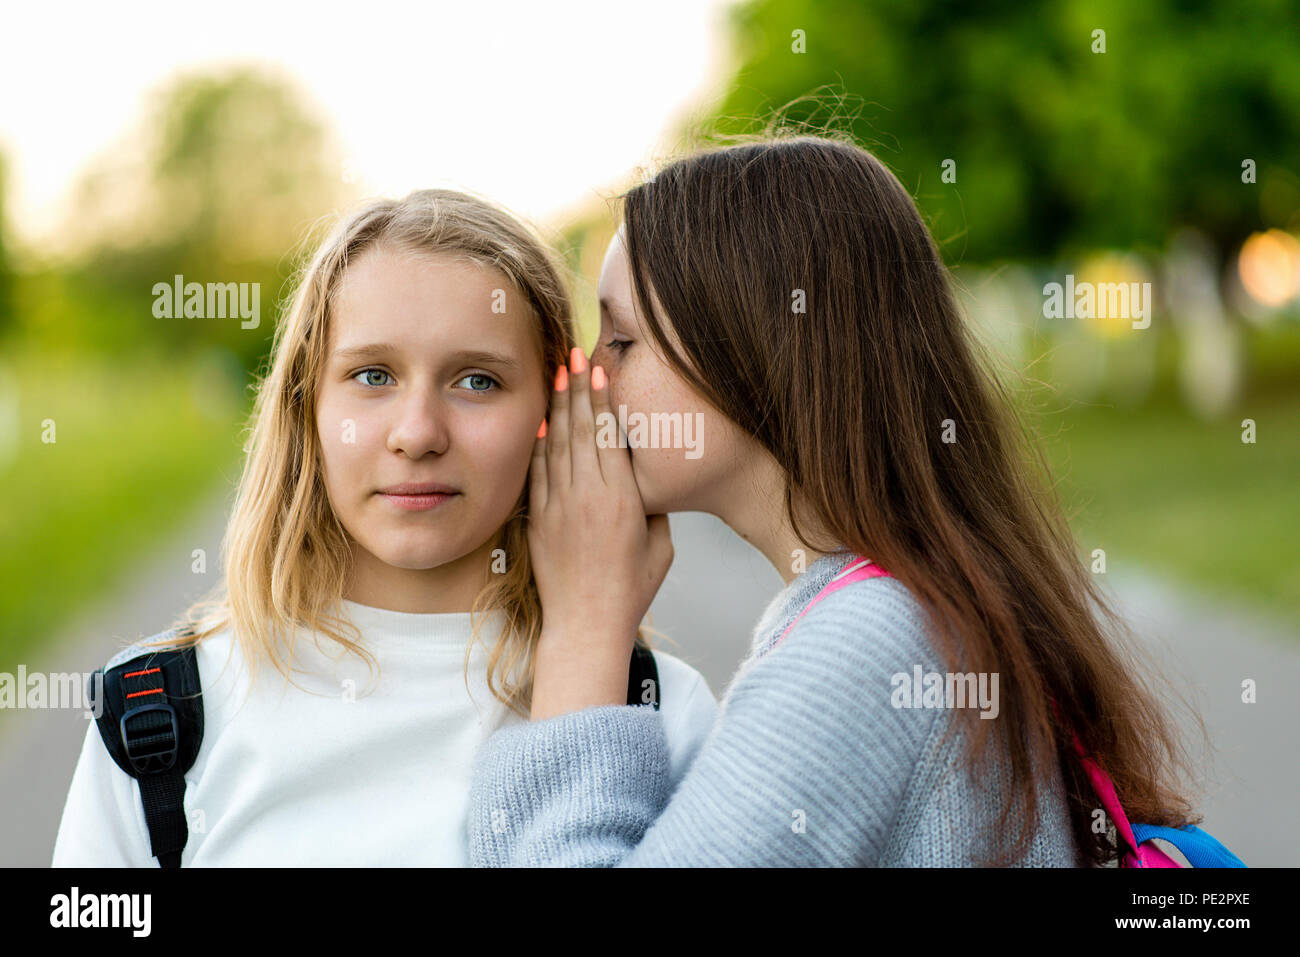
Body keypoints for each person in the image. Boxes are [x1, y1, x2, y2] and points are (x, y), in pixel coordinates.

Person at [468, 135, 1202, 867]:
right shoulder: (915, 609)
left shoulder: (869, 644)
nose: (591, 375)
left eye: (622, 339)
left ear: (756, 348)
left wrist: (585, 624)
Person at [51, 189, 718, 867]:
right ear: (306, 405)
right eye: (373, 375)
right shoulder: (157, 714)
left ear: (557, 410)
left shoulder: (658, 713)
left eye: (478, 381)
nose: (419, 432)